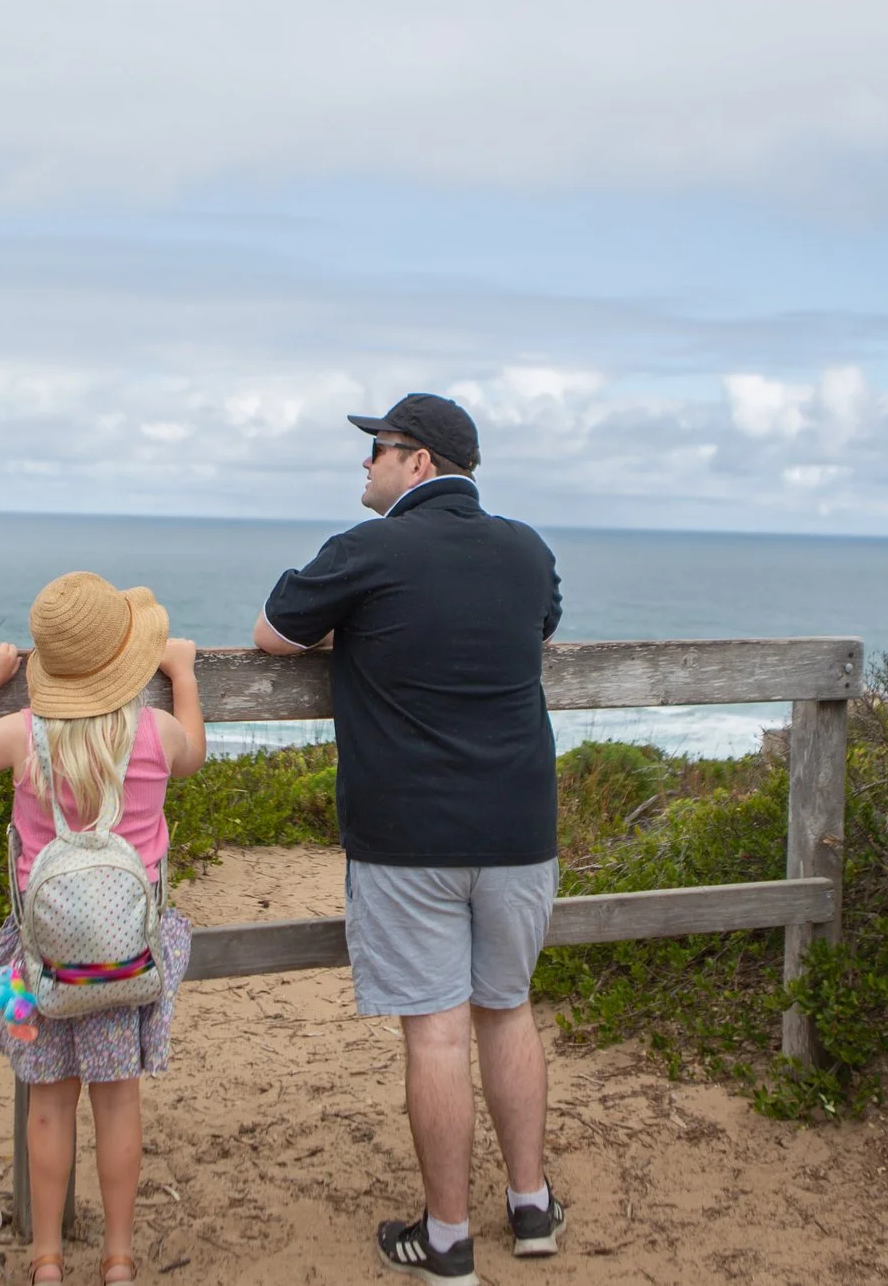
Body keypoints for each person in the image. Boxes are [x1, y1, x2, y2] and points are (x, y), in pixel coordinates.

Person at [253, 393, 568, 1282]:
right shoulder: (526, 547)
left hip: (408, 836)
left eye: (378, 450)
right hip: (519, 827)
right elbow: (540, 623)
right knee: (506, 1009)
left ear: (419, 462)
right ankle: (532, 1204)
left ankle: (446, 1238)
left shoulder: (370, 548)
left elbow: (273, 632)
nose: (365, 465)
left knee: (436, 1030)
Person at [0, 571, 206, 1286]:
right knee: (118, 1100)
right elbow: (195, 750)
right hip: (128, 958)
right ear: (127, 662)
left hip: (38, 962)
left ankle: (46, 1257)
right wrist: (185, 673)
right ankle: (117, 1255)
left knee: (48, 1105)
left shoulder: (24, 735)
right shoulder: (156, 730)